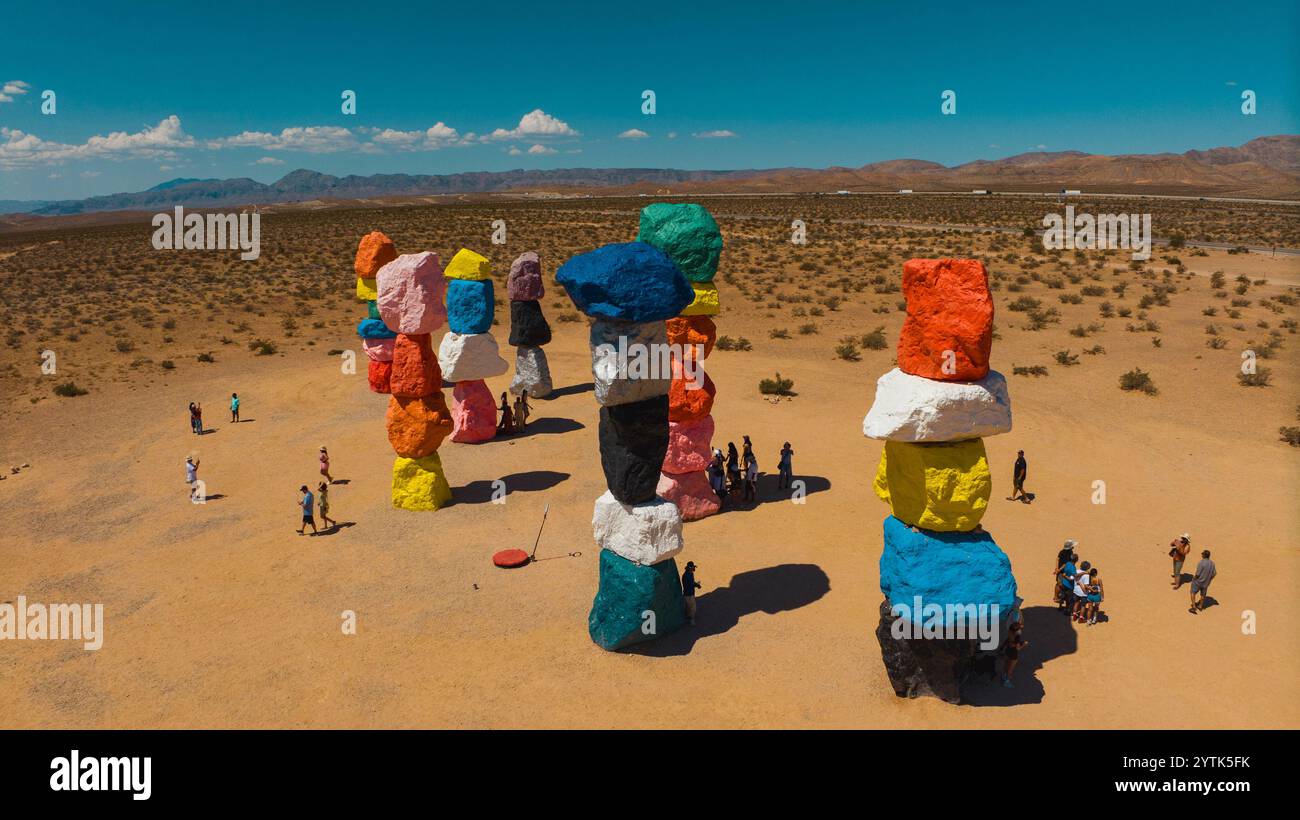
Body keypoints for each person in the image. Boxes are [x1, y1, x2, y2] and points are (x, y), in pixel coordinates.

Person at [1002, 618, 1028, 688]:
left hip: (1007, 651)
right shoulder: (1017, 637)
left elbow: (1007, 642)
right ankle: (1007, 682)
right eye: (1019, 629)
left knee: (1006, 665)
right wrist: (1024, 644)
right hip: (1013, 654)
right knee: (1010, 669)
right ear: (1017, 631)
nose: (1021, 630)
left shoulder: (1010, 634)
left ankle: (1003, 676)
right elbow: (1018, 648)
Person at [1054, 540, 1077, 606]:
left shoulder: (1061, 551)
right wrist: (1059, 570)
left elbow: (1057, 559)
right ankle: (1060, 600)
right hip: (1064, 571)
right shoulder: (1070, 553)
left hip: (1060, 571)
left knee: (1058, 584)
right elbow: (1065, 564)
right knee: (1063, 585)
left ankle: (1057, 598)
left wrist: (1057, 568)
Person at [681, 561, 701, 625]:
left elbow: (691, 583)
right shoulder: (686, 575)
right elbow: (688, 585)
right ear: (690, 568)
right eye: (693, 567)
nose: (694, 568)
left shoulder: (690, 574)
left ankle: (687, 618)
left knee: (688, 607)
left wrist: (696, 584)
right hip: (688, 594)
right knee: (692, 607)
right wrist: (696, 585)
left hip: (689, 593)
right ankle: (691, 620)